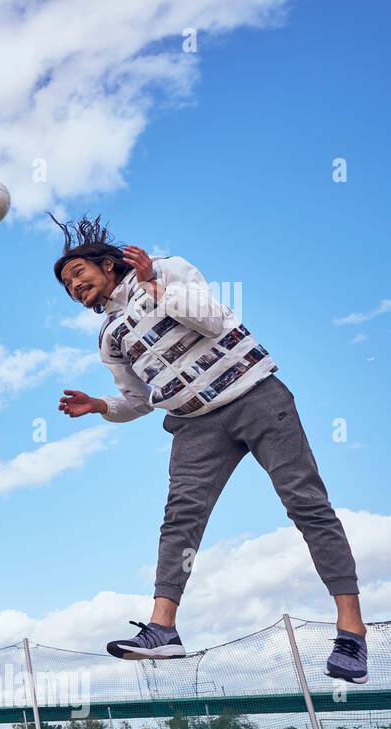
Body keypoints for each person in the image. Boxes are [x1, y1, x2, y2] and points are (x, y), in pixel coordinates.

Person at [50, 214, 367, 683]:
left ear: (107, 265)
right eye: (67, 286)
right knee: (180, 520)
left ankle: (352, 632)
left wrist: (154, 285)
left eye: (78, 273)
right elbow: (139, 400)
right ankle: (163, 630)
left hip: (256, 397)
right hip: (195, 425)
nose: (74, 286)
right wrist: (101, 405)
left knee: (306, 504)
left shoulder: (166, 270)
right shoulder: (110, 338)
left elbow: (214, 319)